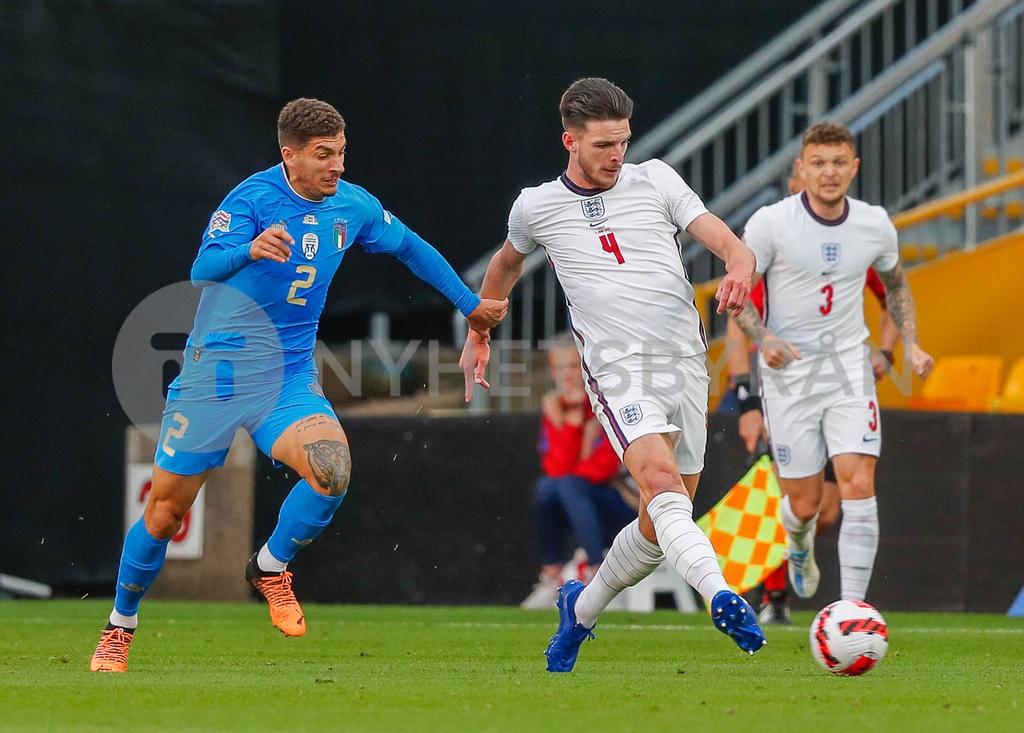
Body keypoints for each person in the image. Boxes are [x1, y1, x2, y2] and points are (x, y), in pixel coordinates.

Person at [89, 98, 508, 672]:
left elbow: (409, 246)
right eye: (322, 155)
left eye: (340, 152)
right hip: (217, 375)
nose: (336, 165)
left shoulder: (353, 206)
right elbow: (202, 270)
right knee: (165, 514)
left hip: (285, 376)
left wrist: (470, 307)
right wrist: (250, 249)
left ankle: (270, 565)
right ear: (289, 156)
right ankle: (120, 625)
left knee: (332, 467)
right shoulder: (253, 199)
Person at [461, 77, 767, 672]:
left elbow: (733, 245)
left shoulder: (656, 179)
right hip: (617, 368)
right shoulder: (537, 205)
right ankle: (722, 595)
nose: (616, 155)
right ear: (569, 140)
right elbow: (504, 264)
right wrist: (480, 329)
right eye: (603, 145)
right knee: (660, 482)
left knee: (659, 525)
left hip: (683, 362)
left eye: (623, 141)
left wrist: (739, 265)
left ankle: (580, 610)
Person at [734, 121, 933, 609]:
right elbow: (735, 295)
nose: (829, 172)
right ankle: (798, 546)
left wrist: (911, 345)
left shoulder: (874, 224)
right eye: (818, 163)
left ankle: (851, 611)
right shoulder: (770, 223)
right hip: (789, 375)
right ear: (801, 169)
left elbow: (897, 286)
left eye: (839, 162)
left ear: (854, 168)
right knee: (805, 507)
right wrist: (765, 338)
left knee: (858, 483)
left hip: (848, 369)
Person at [520, 341, 636, 609]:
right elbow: (555, 470)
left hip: (629, 509)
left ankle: (597, 576)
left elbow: (604, 468)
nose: (567, 375)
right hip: (582, 505)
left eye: (574, 366)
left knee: (568, 486)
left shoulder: (611, 402)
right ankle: (552, 574)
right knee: (547, 487)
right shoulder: (556, 406)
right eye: (559, 368)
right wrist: (572, 418)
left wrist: (575, 418)